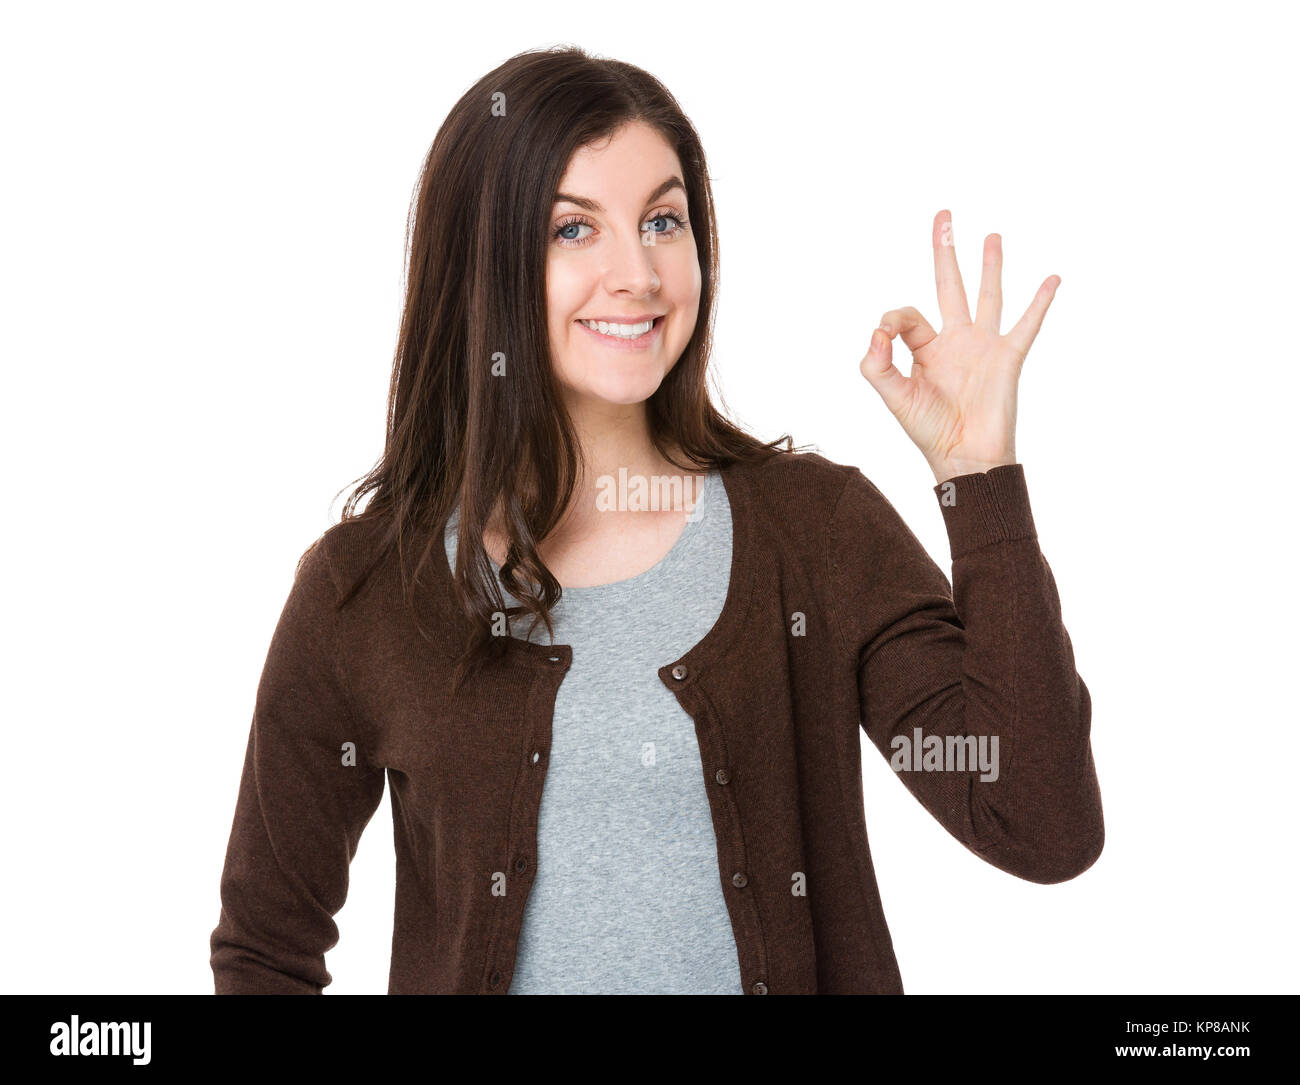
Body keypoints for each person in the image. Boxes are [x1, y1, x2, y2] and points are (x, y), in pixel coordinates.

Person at [210, 45, 1103, 995]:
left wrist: (981, 482)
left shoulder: (814, 531)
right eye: (572, 230)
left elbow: (1041, 824)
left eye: (662, 221)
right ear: (483, 260)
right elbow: (266, 949)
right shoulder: (366, 592)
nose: (636, 273)